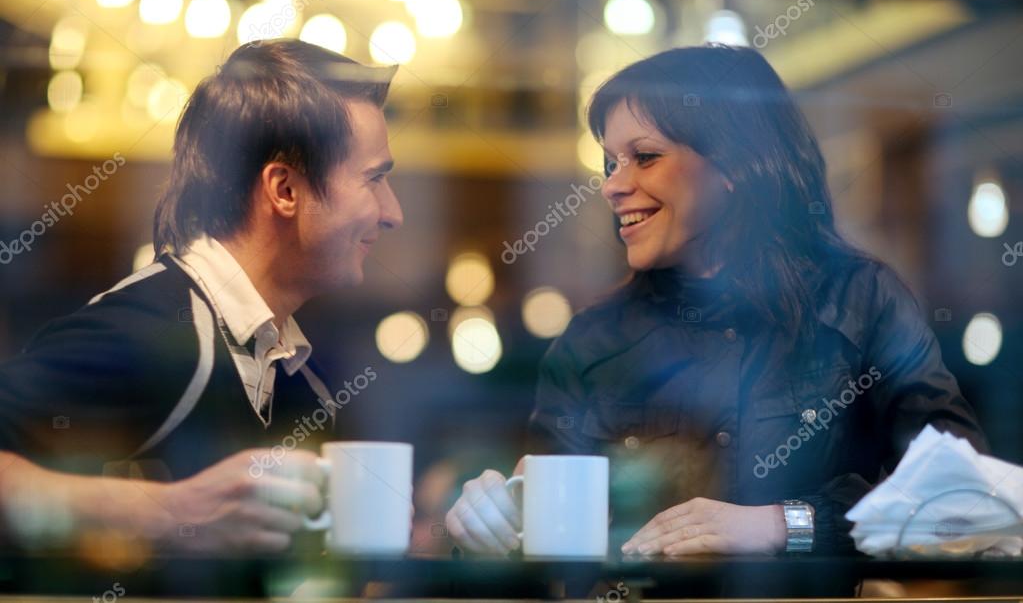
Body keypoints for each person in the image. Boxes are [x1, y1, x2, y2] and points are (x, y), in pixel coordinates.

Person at [446, 45, 986, 558]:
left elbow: (959, 494)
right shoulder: (591, 340)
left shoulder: (859, 300)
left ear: (734, 167)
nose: (613, 185)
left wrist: (783, 524)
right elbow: (546, 544)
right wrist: (491, 522)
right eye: (611, 163)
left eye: (645, 157)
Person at [0, 39, 403, 553]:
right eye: (374, 180)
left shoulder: (301, 379)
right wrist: (173, 513)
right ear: (284, 190)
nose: (393, 213)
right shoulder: (148, 330)